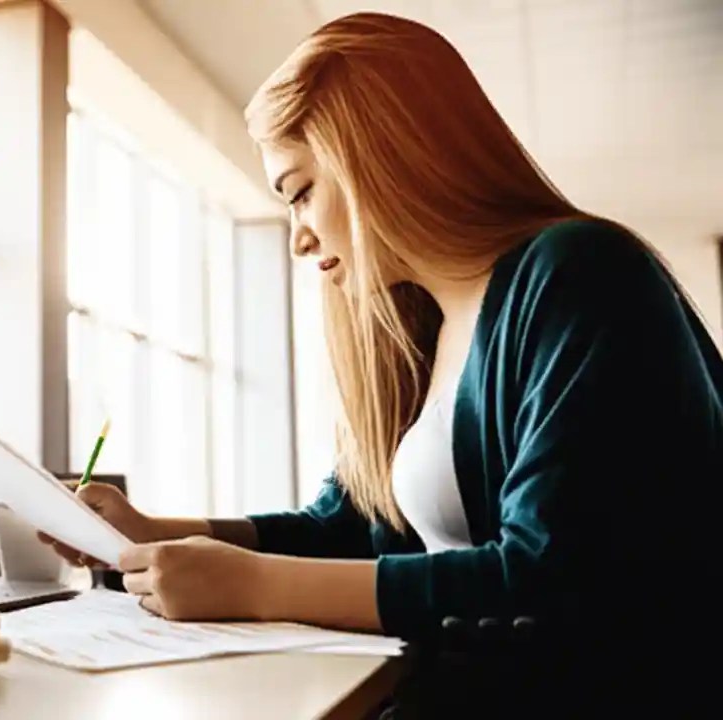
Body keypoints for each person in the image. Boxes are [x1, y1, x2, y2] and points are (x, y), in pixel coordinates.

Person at [40, 11, 721, 716]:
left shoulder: (579, 274)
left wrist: (255, 584)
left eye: (300, 191)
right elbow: (347, 525)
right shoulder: (412, 327)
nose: (299, 239)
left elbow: (554, 577)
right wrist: (157, 534)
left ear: (379, 153)